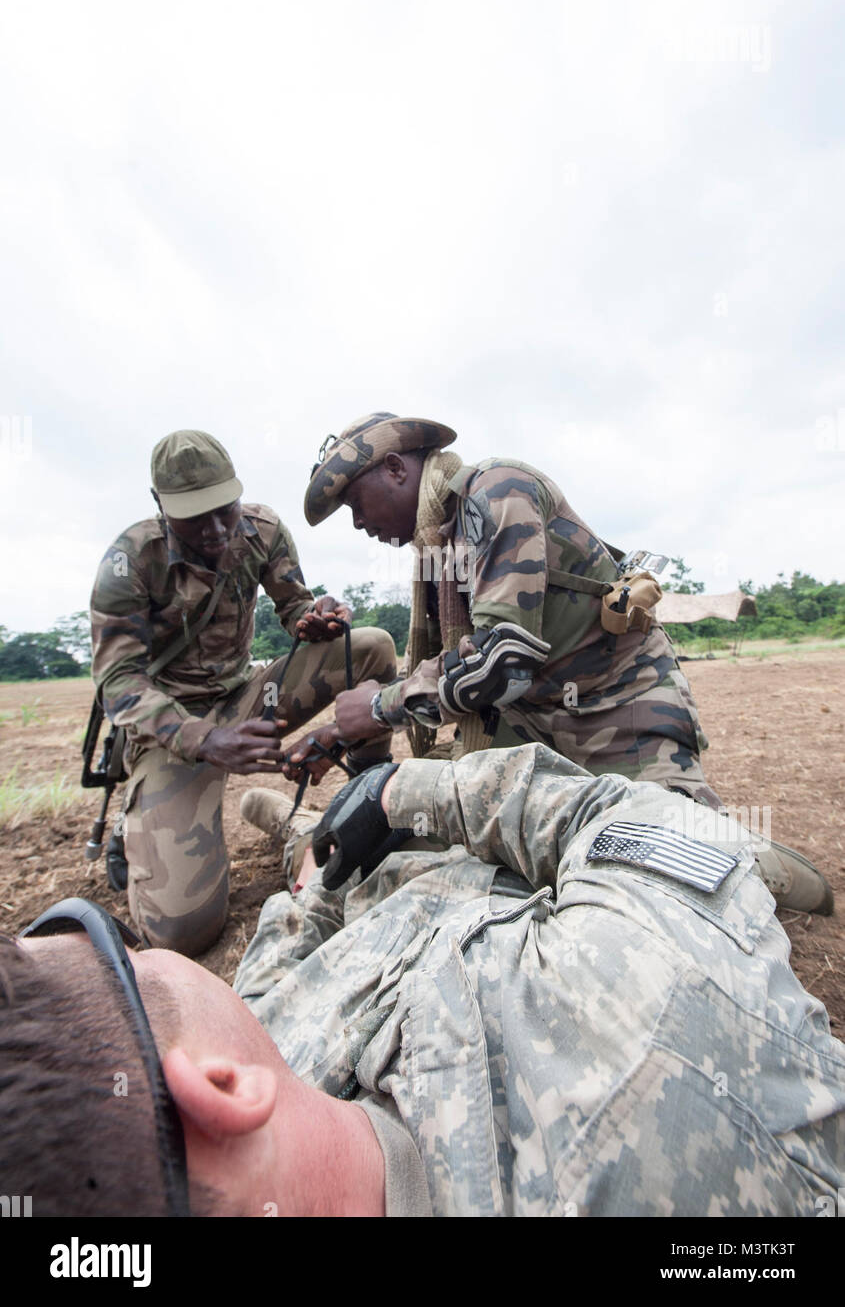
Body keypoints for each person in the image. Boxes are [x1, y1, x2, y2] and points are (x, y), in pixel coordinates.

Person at [6, 744, 845, 1216]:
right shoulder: (635, 1023)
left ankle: (288, 821)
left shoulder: (277, 1065)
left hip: (378, 895)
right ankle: (760, 872)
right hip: (545, 876)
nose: (142, 954)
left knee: (313, 840)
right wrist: (407, 787)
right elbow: (629, 820)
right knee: (695, 854)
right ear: (215, 1090)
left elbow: (270, 978)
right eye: (121, 969)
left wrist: (312, 891)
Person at [301, 411, 833, 914]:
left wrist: (379, 706)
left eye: (355, 503)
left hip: (618, 715)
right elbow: (455, 662)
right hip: (534, 723)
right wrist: (343, 730)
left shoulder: (496, 491)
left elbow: (501, 662)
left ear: (395, 468)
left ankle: (764, 867)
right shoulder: (442, 539)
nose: (358, 524)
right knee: (444, 832)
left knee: (672, 867)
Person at [89, 429, 397, 955]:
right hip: (174, 730)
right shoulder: (130, 563)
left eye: (223, 510)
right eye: (194, 516)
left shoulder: (261, 530)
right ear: (159, 507)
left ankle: (371, 797)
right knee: (182, 933)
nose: (214, 529)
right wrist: (204, 740)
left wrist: (315, 618)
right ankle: (133, 822)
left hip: (248, 697)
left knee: (370, 645)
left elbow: (295, 606)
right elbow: (118, 682)